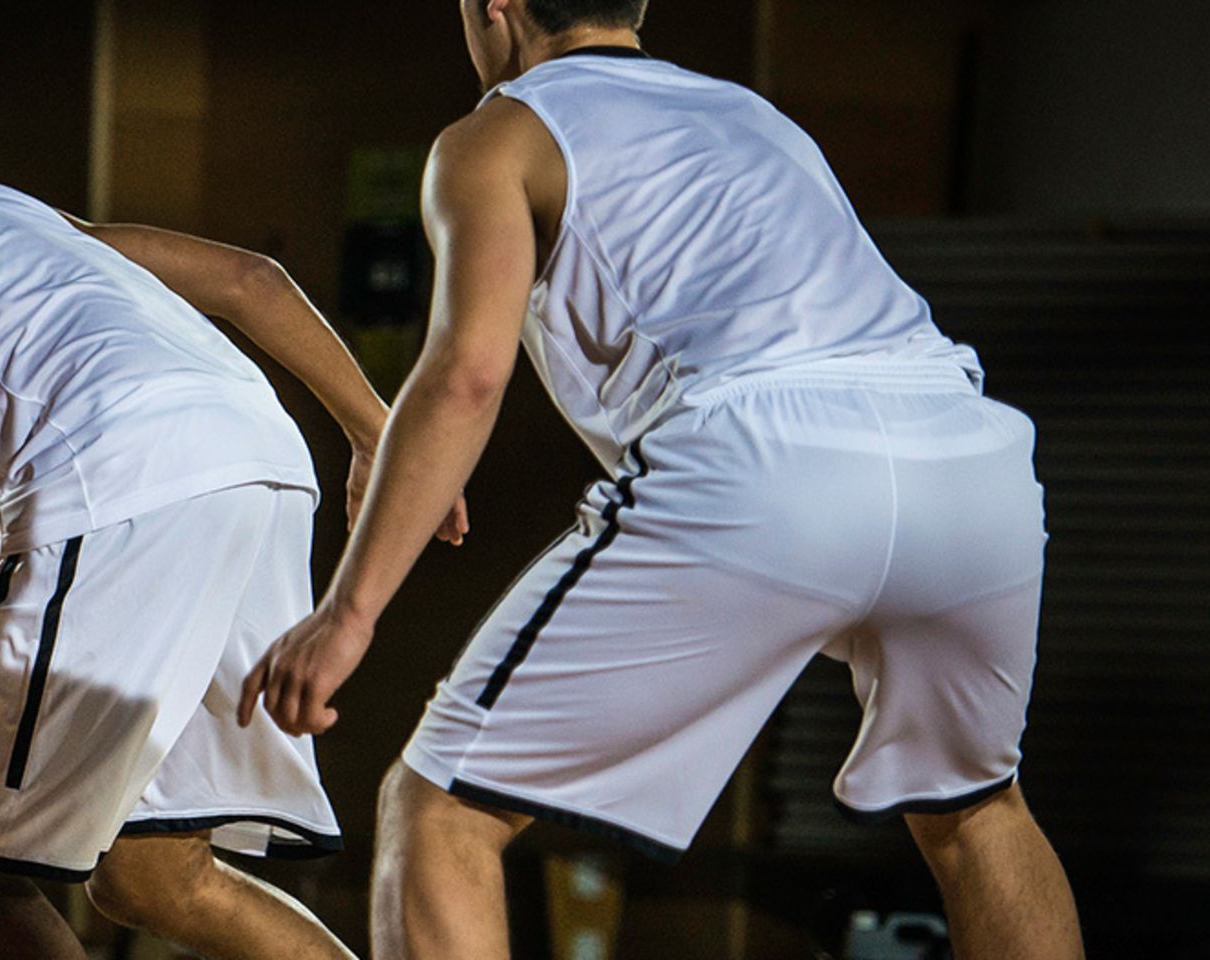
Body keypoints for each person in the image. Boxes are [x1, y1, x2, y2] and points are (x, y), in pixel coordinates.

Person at [236, 2, 1086, 957]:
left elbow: (467, 376)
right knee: (978, 812)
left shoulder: (498, 135)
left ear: (496, 10)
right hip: (969, 458)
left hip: (767, 460)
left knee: (440, 811)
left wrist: (346, 615)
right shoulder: (758, 117)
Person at [0, 65, 464, 960]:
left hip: (123, 470)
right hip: (262, 456)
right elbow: (251, 279)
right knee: (155, 873)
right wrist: (376, 431)